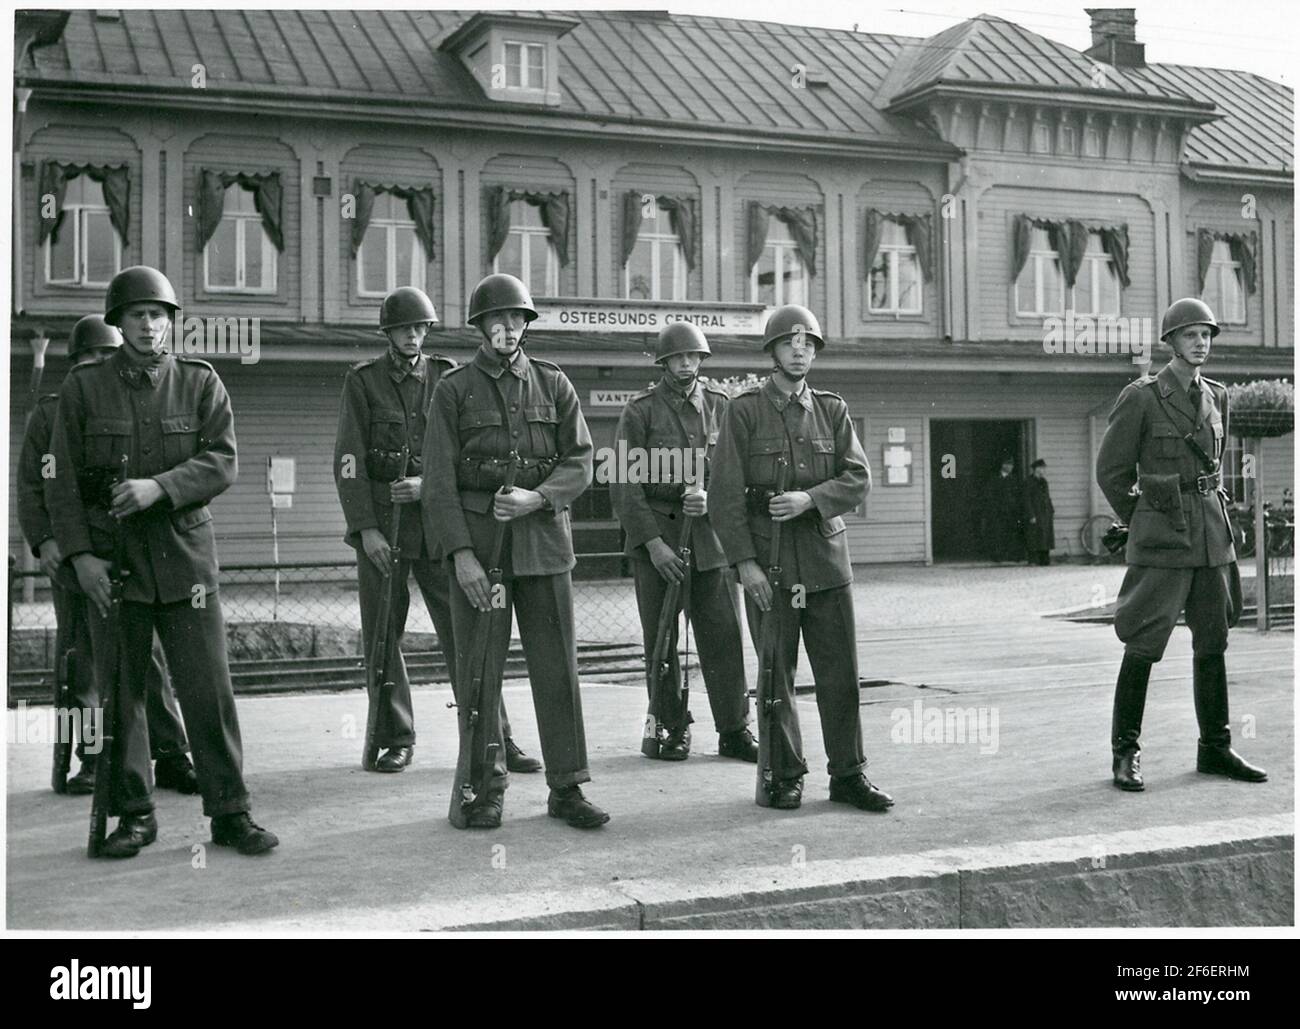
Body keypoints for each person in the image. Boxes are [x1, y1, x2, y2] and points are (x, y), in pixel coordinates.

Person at [48, 266, 278, 857]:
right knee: (122, 697)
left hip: (186, 566)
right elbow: (61, 486)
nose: (148, 325)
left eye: (158, 315)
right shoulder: (83, 387)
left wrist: (160, 487)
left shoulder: (201, 383)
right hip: (114, 568)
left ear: (172, 322)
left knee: (209, 693)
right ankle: (135, 815)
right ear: (118, 323)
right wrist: (80, 559)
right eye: (136, 315)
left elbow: (222, 461)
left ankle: (230, 813)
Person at [425, 273, 608, 829]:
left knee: (558, 672)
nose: (507, 329)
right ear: (480, 327)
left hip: (545, 548)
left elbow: (580, 460)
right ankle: (483, 789)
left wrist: (539, 497)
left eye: (516, 320)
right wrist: (460, 556)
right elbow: (437, 483)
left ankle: (567, 788)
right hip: (481, 552)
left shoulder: (554, 384)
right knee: (479, 671)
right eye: (495, 321)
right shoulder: (453, 390)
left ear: (527, 325)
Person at [333, 287, 539, 775]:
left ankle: (494, 735)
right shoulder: (363, 382)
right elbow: (347, 461)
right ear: (387, 333)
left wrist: (426, 484)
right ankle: (394, 737)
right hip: (384, 530)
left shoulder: (449, 376)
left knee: (469, 635)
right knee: (383, 636)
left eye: (420, 327)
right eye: (403, 328)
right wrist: (365, 529)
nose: (412, 335)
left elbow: (456, 457)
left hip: (441, 530)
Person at [711, 304, 893, 813]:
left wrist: (810, 499)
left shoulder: (832, 410)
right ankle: (783, 774)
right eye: (791, 342)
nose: (800, 349)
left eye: (808, 343)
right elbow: (723, 496)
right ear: (772, 350)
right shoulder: (743, 410)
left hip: (825, 563)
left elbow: (858, 478)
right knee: (775, 678)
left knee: (840, 674)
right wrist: (743, 566)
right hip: (769, 565)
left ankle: (848, 775)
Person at [20, 316, 196, 796]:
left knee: (149, 662)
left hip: (131, 549)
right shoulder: (51, 413)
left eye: (103, 358)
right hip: (78, 560)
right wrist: (49, 543)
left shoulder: (141, 404)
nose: (95, 369)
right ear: (74, 365)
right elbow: (34, 487)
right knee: (81, 665)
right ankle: (94, 758)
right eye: (86, 360)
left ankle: (171, 756)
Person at [1096, 297, 1267, 792]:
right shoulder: (1143, 397)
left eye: (1207, 334)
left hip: (1212, 537)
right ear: (1170, 341)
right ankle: (1124, 753)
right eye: (1191, 334)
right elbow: (1111, 472)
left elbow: (1211, 471)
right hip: (1164, 541)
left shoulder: (1218, 395)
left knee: (1213, 641)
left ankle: (1215, 748)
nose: (1201, 343)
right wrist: (1145, 519)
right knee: (1144, 644)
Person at [610, 322, 756, 762]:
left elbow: (736, 474)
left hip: (708, 541)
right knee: (660, 642)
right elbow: (623, 486)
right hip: (657, 540)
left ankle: (734, 729)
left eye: (694, 357)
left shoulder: (721, 405)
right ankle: (670, 727)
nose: (687, 364)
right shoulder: (640, 411)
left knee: (723, 639)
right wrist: (654, 545)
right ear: (664, 362)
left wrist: (711, 501)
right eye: (678, 358)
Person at [984, 455, 1024, 563]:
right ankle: (998, 556)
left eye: (1012, 465)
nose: (1010, 467)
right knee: (998, 534)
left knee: (1012, 533)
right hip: (998, 512)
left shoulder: (1014, 480)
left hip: (1011, 512)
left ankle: (1012, 555)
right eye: (1008, 464)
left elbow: (1019, 495)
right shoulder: (994, 479)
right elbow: (989, 495)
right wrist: (995, 508)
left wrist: (1016, 507)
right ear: (1003, 465)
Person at [1022, 458, 1055, 566]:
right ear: (1035, 469)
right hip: (1035, 513)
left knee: (1045, 536)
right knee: (1034, 536)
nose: (1043, 470)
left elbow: (1047, 497)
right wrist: (1031, 514)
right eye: (1041, 468)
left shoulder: (1044, 482)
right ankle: (1033, 560)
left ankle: (1044, 559)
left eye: (1044, 468)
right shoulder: (1028, 481)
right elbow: (1026, 499)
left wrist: (1051, 510)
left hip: (1045, 513)